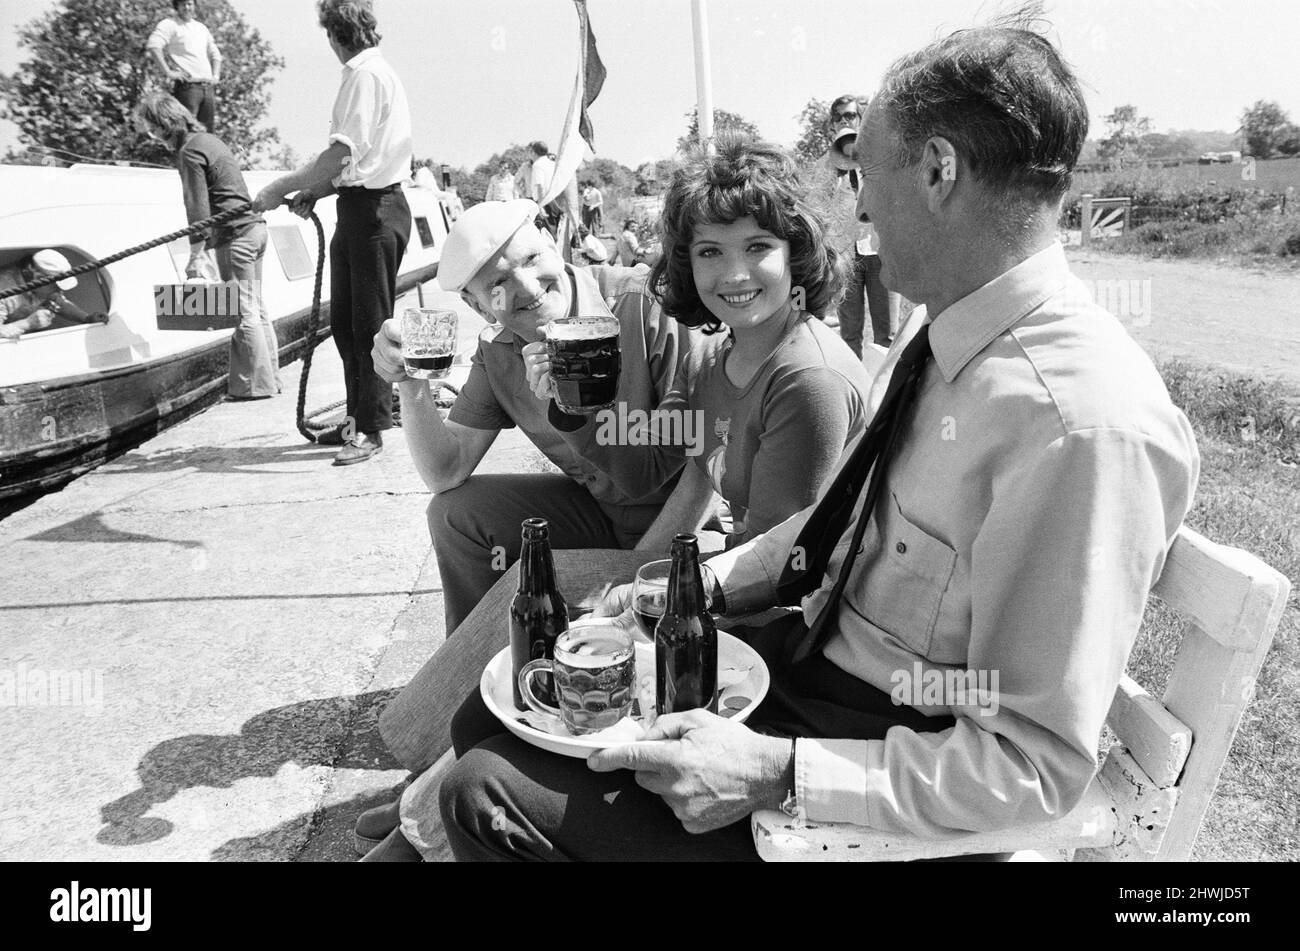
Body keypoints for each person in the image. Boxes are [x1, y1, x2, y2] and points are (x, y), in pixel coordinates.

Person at [430, 16, 1201, 862]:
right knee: (489, 707)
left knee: (485, 795)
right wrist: (700, 587)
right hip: (810, 672)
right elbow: (840, 519)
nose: (859, 204)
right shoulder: (942, 336)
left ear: (939, 171)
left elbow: (1031, 763)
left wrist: (775, 772)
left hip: (865, 770)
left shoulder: (1079, 425)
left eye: (866, 174)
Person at [632, 135, 870, 554]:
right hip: (737, 569)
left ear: (795, 252)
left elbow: (769, 562)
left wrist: (638, 596)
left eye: (757, 247)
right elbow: (696, 485)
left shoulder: (807, 380)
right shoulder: (713, 357)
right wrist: (631, 571)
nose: (735, 274)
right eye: (710, 252)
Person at [254, 0, 413, 466]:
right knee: (346, 325)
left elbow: (339, 156)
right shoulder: (372, 73)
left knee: (370, 327)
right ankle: (357, 422)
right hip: (359, 208)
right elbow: (353, 165)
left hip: (374, 213)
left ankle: (371, 431)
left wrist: (280, 187)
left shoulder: (364, 76)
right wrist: (320, 194)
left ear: (333, 35)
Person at [133, 92, 280, 400]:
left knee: (243, 312)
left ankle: (254, 388)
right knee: (258, 308)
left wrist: (195, 255)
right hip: (256, 230)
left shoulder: (189, 152)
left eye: (153, 129)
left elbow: (196, 208)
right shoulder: (211, 140)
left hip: (235, 237)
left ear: (166, 123)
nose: (154, 137)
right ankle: (271, 380)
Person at [821, 94, 892, 356]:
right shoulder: (826, 163)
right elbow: (818, 204)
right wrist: (834, 168)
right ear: (832, 125)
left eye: (849, 115)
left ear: (860, 120)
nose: (843, 121)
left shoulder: (878, 159)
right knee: (849, 333)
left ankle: (887, 394)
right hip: (846, 256)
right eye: (837, 117)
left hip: (878, 250)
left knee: (887, 334)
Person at [146, 0, 222, 132]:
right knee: (187, 134)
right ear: (177, 6)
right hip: (188, 88)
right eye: (183, 4)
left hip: (207, 88)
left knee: (208, 136)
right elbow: (154, 46)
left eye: (190, 4)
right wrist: (168, 72)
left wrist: (216, 75)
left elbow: (215, 54)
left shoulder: (201, 28)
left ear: (194, 6)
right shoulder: (169, 24)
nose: (187, 7)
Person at [0, 250, 108, 340]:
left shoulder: (42, 287)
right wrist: (27, 323)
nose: (60, 291)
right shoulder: (5, 292)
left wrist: (87, 318)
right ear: (38, 278)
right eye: (56, 287)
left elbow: (59, 302)